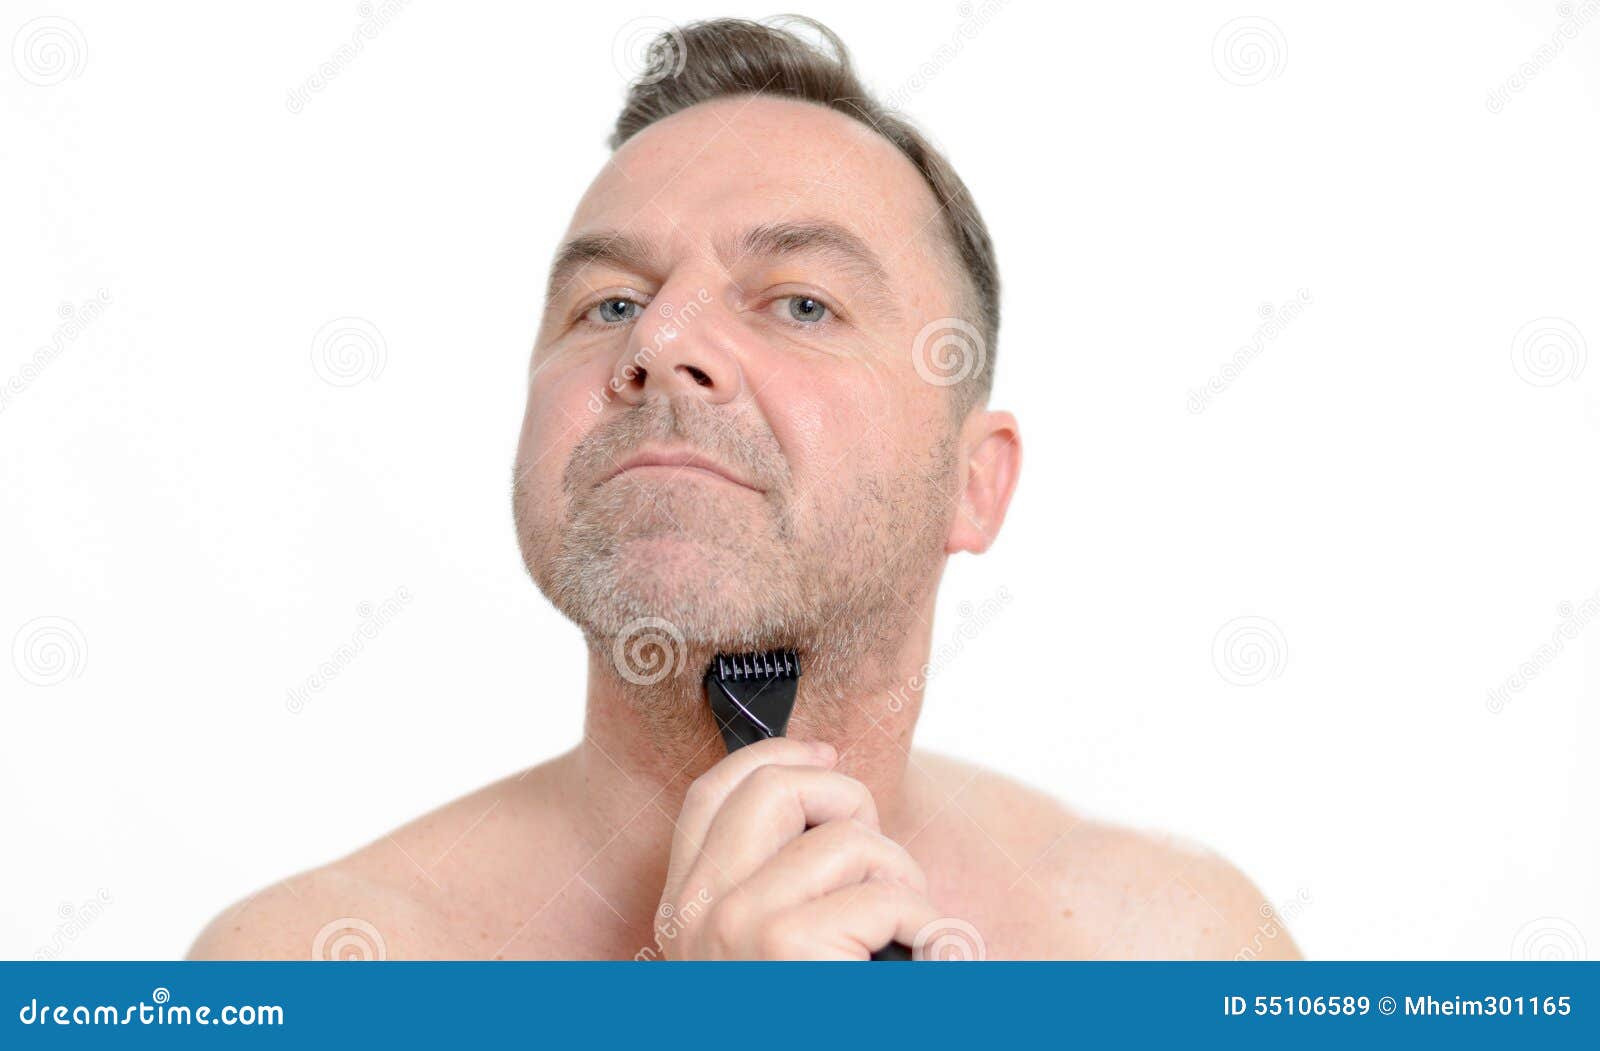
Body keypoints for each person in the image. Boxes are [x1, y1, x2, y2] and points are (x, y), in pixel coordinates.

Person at [190, 16, 1301, 961]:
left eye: (800, 302)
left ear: (975, 484)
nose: (663, 342)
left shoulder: (1172, 948)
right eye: (610, 304)